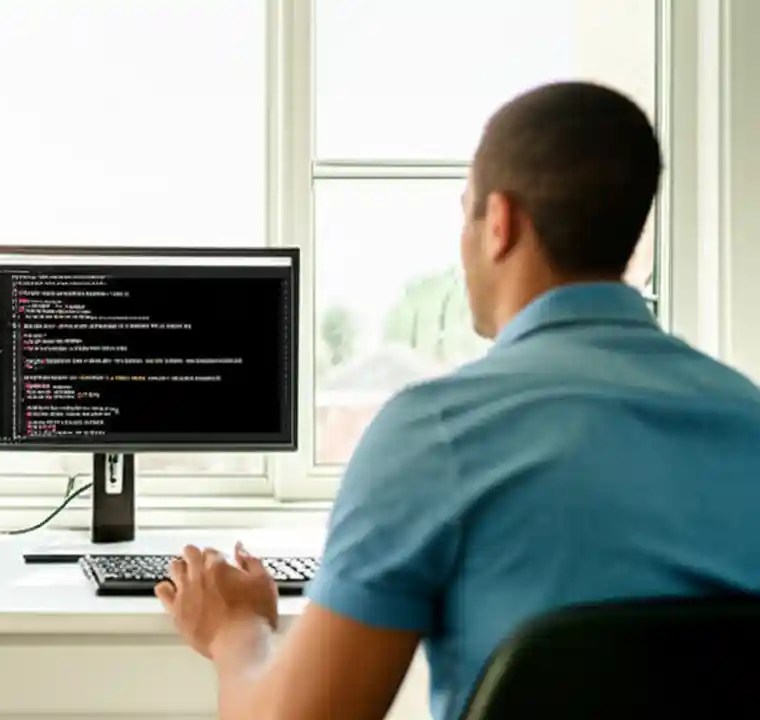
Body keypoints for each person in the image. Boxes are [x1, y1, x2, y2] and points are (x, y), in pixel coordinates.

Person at [156, 81, 760, 720]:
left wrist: (234, 630)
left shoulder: (435, 435)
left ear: (499, 224)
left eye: (467, 211)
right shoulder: (748, 419)